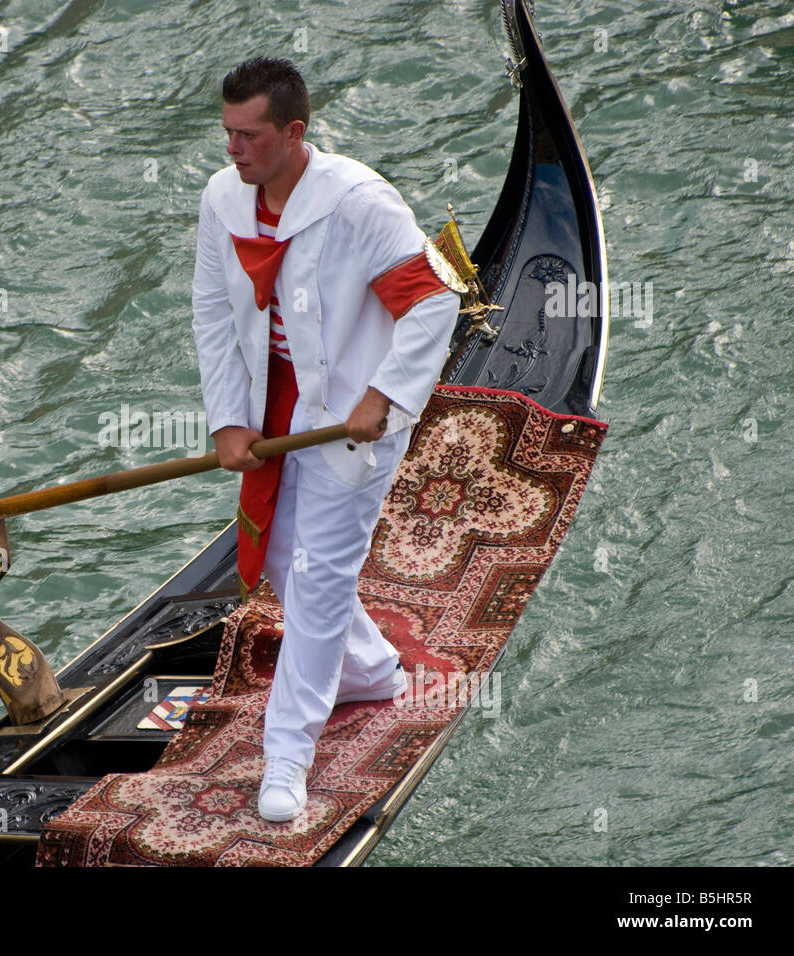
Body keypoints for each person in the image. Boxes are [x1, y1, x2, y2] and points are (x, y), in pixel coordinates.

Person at [190, 57, 462, 822]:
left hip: (352, 415)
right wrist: (228, 419)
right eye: (228, 135)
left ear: (294, 132)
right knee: (281, 553)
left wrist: (383, 396)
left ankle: (286, 759)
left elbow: (433, 306)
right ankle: (373, 669)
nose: (234, 151)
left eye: (250, 136)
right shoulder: (222, 199)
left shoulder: (360, 204)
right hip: (272, 408)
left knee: (315, 581)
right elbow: (213, 311)